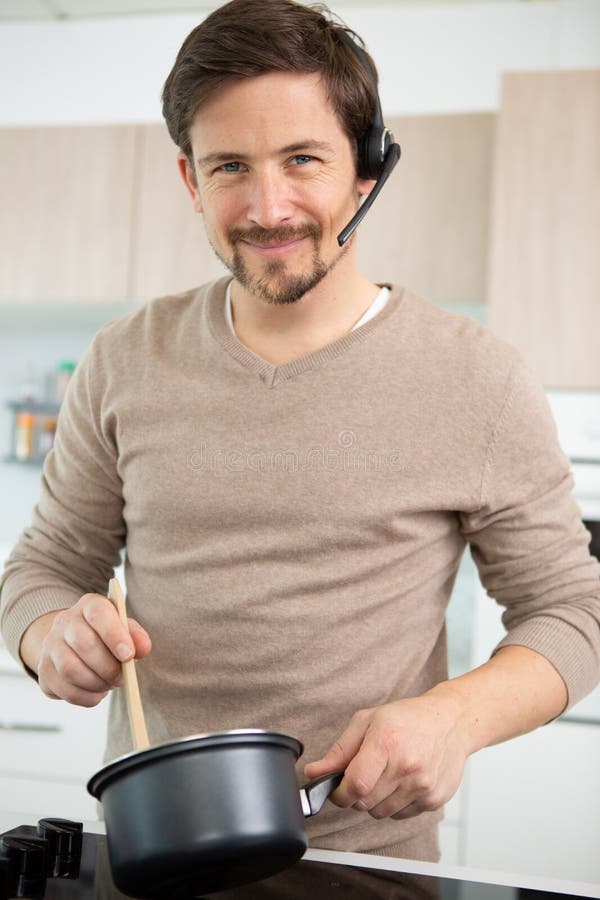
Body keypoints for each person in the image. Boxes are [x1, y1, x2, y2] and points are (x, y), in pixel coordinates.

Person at [1, 0, 600, 863]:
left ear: (368, 170)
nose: (267, 206)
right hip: (151, 852)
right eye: (231, 166)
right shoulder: (123, 359)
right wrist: (44, 630)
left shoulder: (478, 377)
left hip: (362, 864)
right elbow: (45, 569)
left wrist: (456, 716)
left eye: (303, 160)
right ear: (189, 180)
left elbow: (572, 610)